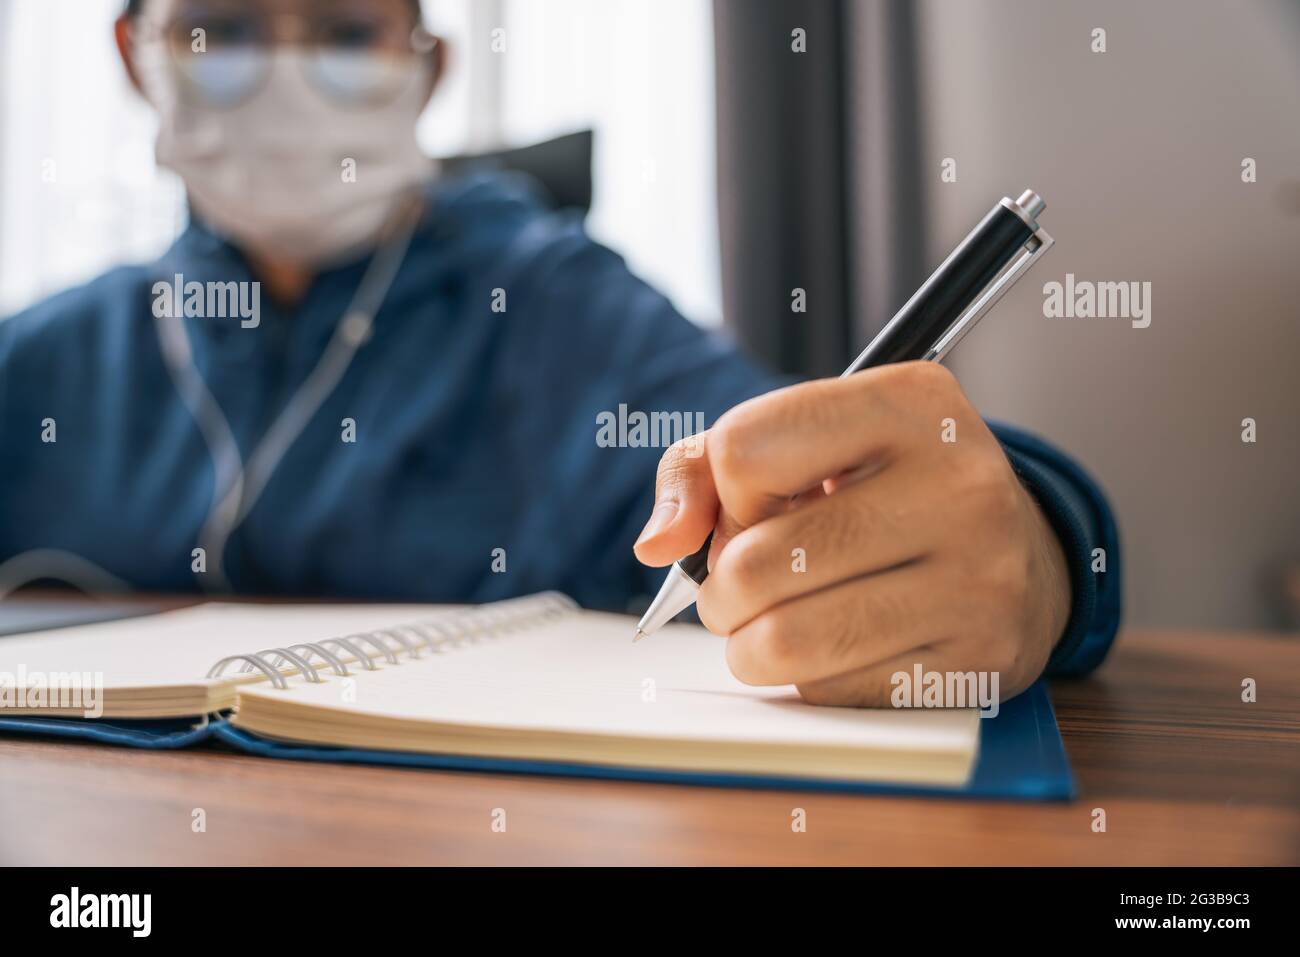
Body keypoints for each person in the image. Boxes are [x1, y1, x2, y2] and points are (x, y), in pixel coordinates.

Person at [0, 0, 1120, 706]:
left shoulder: (558, 309)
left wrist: (1036, 540)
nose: (287, 77)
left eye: (345, 36)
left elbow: (793, 457)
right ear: (133, 51)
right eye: (222, 30)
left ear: (426, 67)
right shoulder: (40, 360)